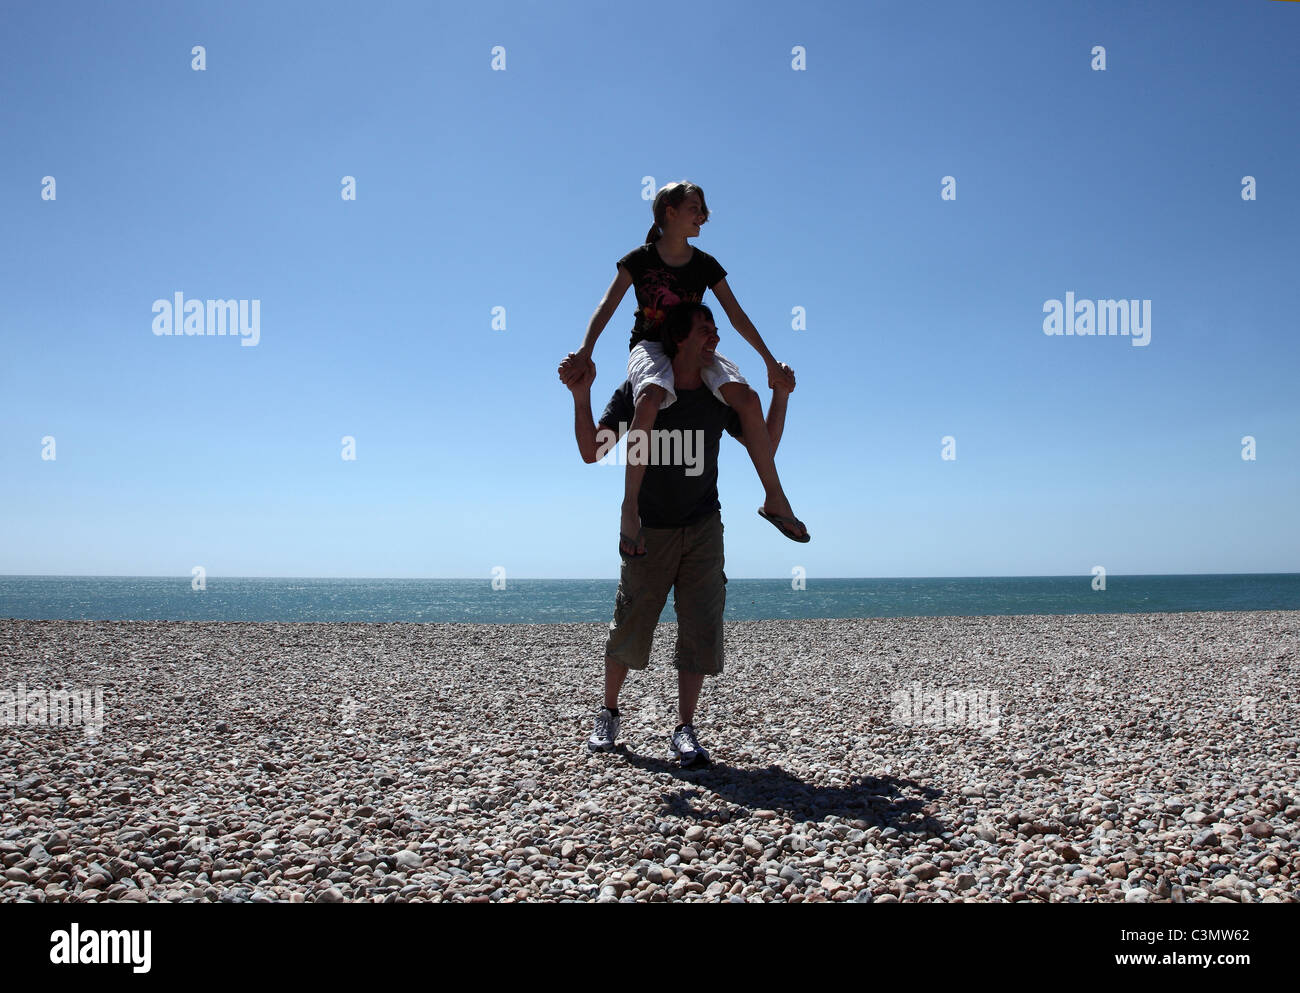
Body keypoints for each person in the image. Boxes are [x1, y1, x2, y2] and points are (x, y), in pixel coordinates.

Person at [560, 302, 794, 766]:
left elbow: (763, 445)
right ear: (679, 338)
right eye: (706, 328)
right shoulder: (639, 391)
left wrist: (781, 395)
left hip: (705, 525)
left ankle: (684, 729)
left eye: (716, 328)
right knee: (631, 623)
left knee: (701, 625)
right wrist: (580, 396)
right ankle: (608, 713)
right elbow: (592, 451)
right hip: (651, 529)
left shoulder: (718, 394)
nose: (716, 337)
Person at [560, 181, 809, 560]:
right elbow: (607, 305)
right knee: (650, 397)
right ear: (669, 212)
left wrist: (769, 362)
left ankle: (775, 498)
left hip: (695, 348)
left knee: (747, 396)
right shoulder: (639, 260)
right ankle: (630, 509)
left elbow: (736, 315)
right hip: (652, 348)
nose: (704, 215)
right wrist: (585, 351)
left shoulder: (705, 264)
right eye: (695, 208)